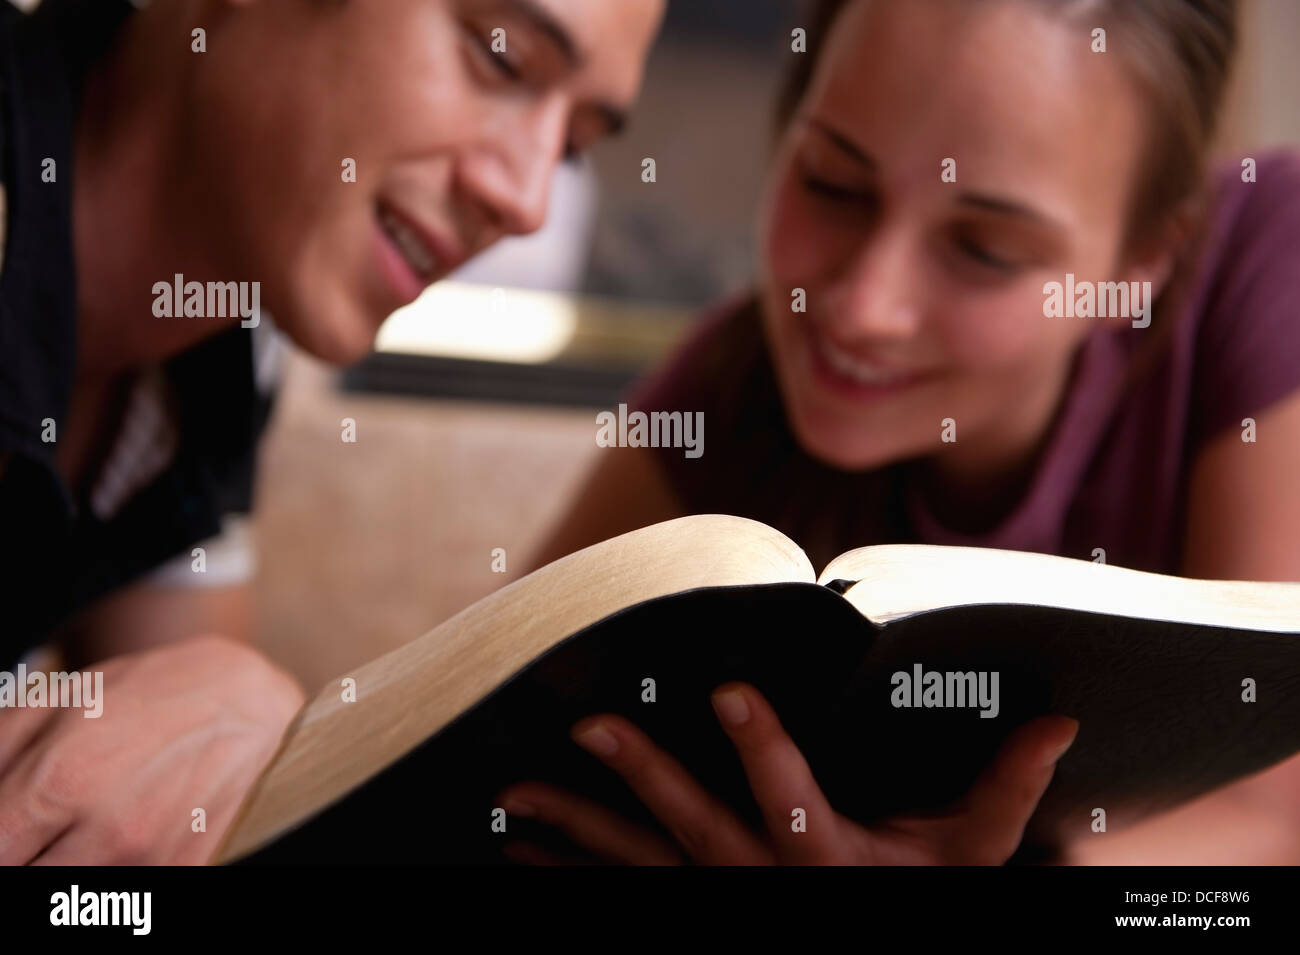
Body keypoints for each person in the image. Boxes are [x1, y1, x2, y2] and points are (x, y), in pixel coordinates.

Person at [506, 0, 1300, 864]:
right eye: (833, 185)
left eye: (986, 249)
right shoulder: (729, 391)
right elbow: (481, 722)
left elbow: (1271, 823)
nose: (862, 309)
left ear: (1147, 260)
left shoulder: (1265, 258)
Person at [0, 0, 664, 864]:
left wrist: (253, 704)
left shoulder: (221, 342)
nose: (529, 200)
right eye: (499, 58)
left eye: (573, 143)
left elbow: (199, 760)